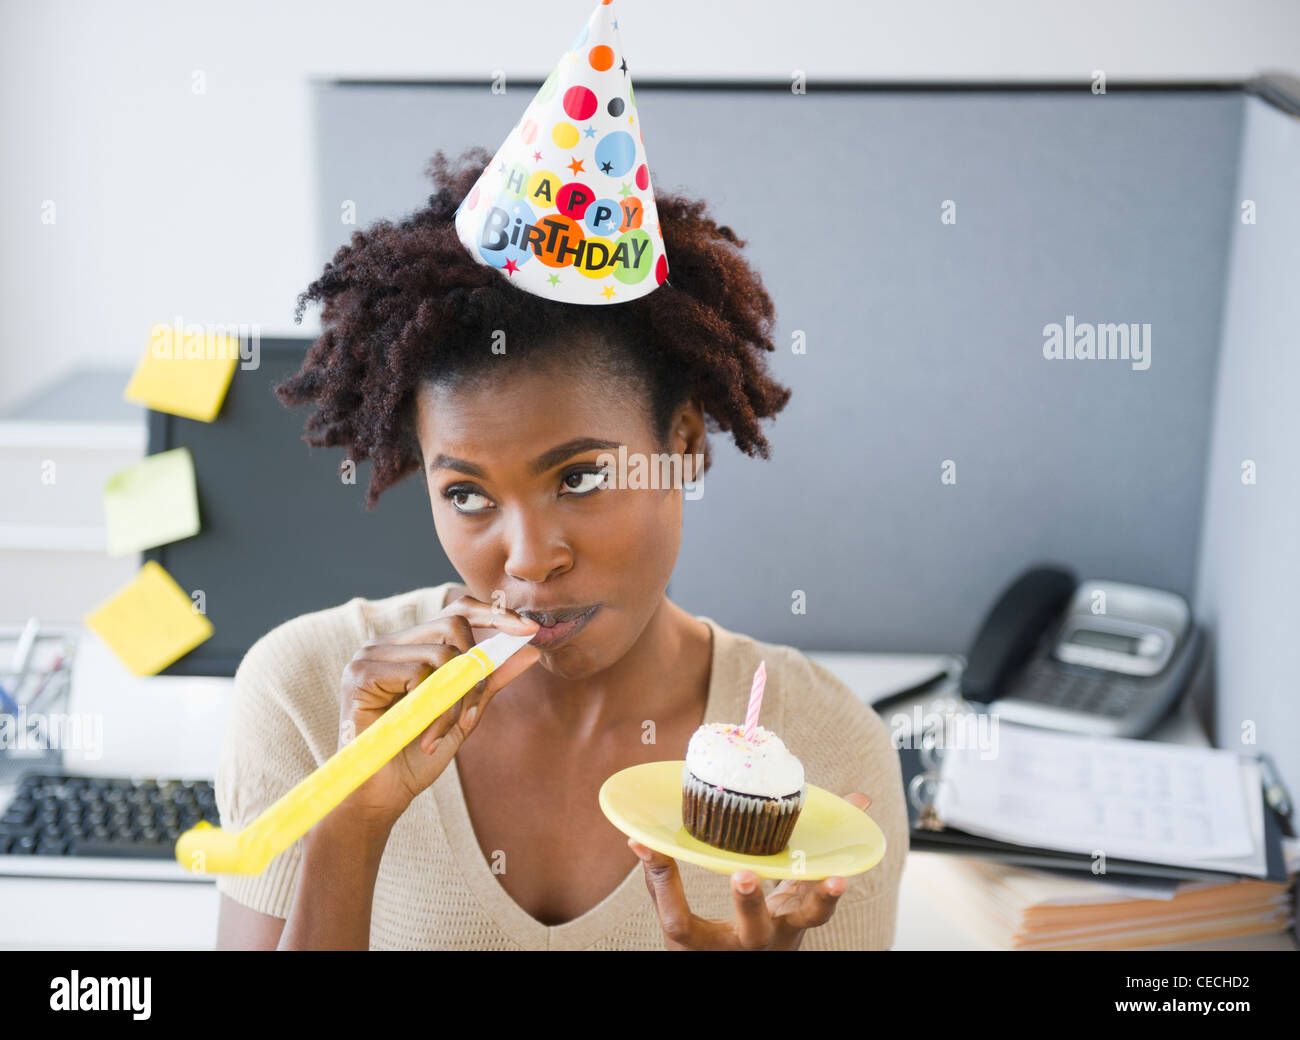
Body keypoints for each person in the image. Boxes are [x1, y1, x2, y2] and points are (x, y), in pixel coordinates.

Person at [213, 146, 908, 951]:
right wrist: (349, 823)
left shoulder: (825, 750)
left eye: (578, 479)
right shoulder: (303, 693)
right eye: (468, 495)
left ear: (680, 443)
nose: (528, 560)